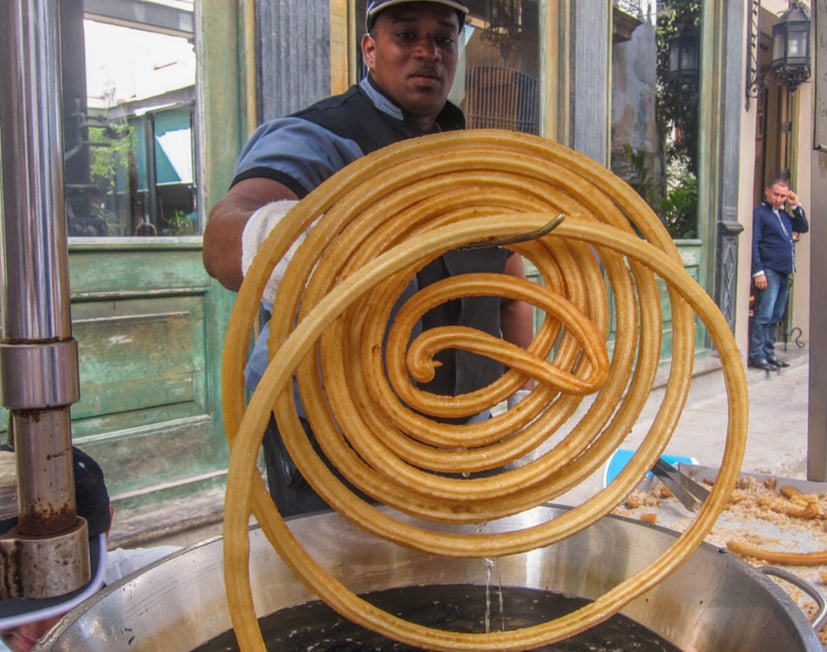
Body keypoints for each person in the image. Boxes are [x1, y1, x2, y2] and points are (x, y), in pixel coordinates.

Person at [202, 0, 534, 516]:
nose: (427, 53)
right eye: (407, 35)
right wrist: (287, 242)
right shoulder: (320, 137)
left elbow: (512, 279)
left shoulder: (469, 158)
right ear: (370, 50)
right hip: (329, 431)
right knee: (338, 576)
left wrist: (523, 389)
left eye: (444, 39)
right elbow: (224, 239)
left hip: (458, 424)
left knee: (454, 573)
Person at [0, 447, 180, 651]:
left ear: (107, 529)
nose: (29, 632)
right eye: (6, 603)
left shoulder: (180, 586)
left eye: (53, 590)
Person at [748, 178, 808, 371]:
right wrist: (758, 271)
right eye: (776, 194)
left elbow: (803, 226)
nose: (779, 199)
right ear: (767, 191)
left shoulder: (783, 215)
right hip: (769, 270)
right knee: (764, 314)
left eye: (783, 196)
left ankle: (769, 352)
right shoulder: (760, 214)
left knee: (776, 315)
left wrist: (795, 204)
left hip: (784, 270)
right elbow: (754, 243)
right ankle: (757, 354)